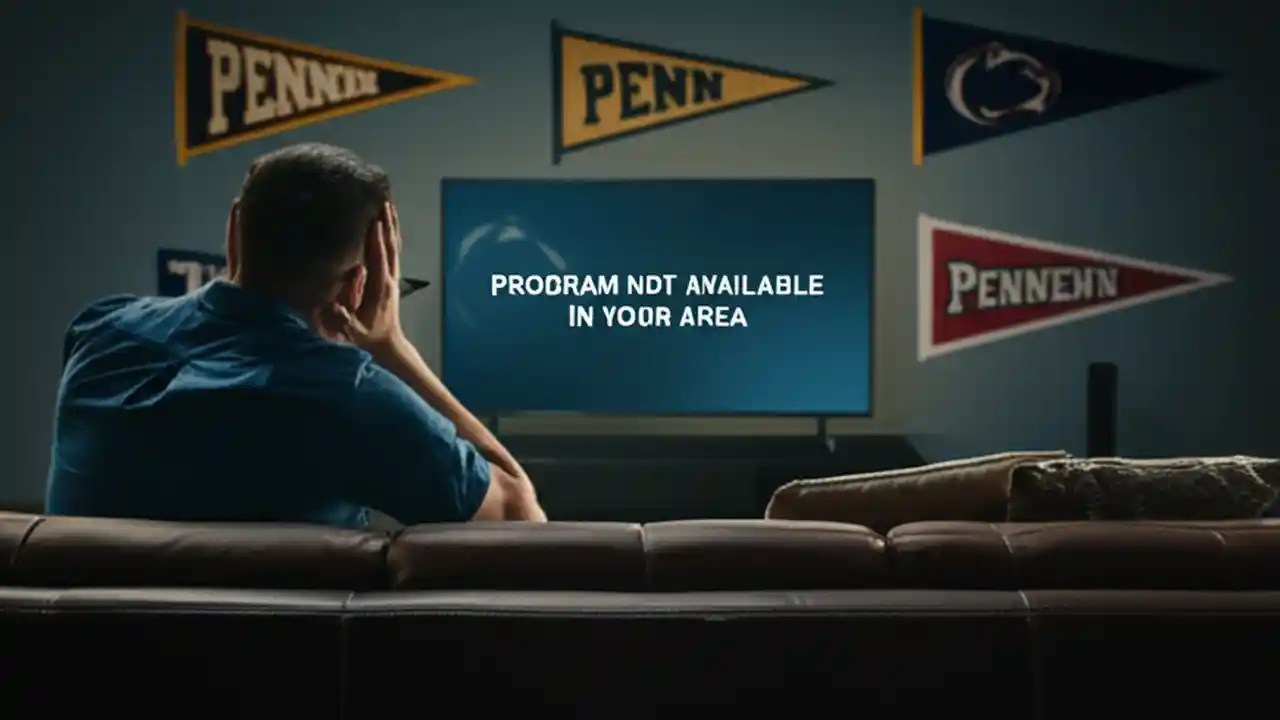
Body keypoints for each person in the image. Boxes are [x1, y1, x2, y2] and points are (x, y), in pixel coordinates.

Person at [46, 143, 546, 528]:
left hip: (71, 661)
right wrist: (392, 349)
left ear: (233, 230)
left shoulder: (98, 334)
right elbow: (522, 519)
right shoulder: (351, 398)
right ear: (359, 282)